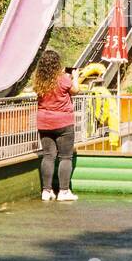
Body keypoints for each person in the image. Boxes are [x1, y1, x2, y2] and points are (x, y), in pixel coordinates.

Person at [34, 48, 81, 202]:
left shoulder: (39, 80)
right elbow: (76, 90)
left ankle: (46, 191)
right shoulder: (63, 79)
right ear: (57, 64)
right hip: (63, 122)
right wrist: (75, 77)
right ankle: (64, 191)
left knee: (48, 156)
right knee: (65, 157)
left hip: (44, 122)